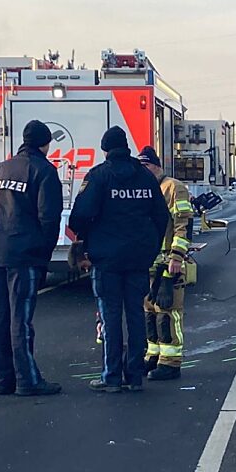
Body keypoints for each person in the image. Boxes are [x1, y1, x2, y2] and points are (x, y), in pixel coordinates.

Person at [69, 127, 169, 394]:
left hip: (106, 259)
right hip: (138, 258)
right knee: (136, 313)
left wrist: (88, 239)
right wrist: (150, 247)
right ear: (126, 147)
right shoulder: (145, 178)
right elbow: (161, 217)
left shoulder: (99, 176)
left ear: (105, 150)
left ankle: (111, 377)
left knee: (111, 316)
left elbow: (79, 215)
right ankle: (135, 375)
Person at [0, 120, 65, 397]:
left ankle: (4, 379)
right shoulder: (44, 171)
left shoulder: (1, 169)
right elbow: (49, 218)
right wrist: (43, 253)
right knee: (20, 320)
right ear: (45, 143)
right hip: (24, 256)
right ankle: (27, 380)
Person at [137, 146, 193, 381]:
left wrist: (177, 257)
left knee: (168, 313)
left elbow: (183, 224)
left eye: (147, 166)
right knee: (150, 313)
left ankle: (171, 363)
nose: (144, 172)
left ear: (157, 166)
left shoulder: (173, 188)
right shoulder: (144, 189)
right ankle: (154, 355)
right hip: (148, 264)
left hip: (169, 264)